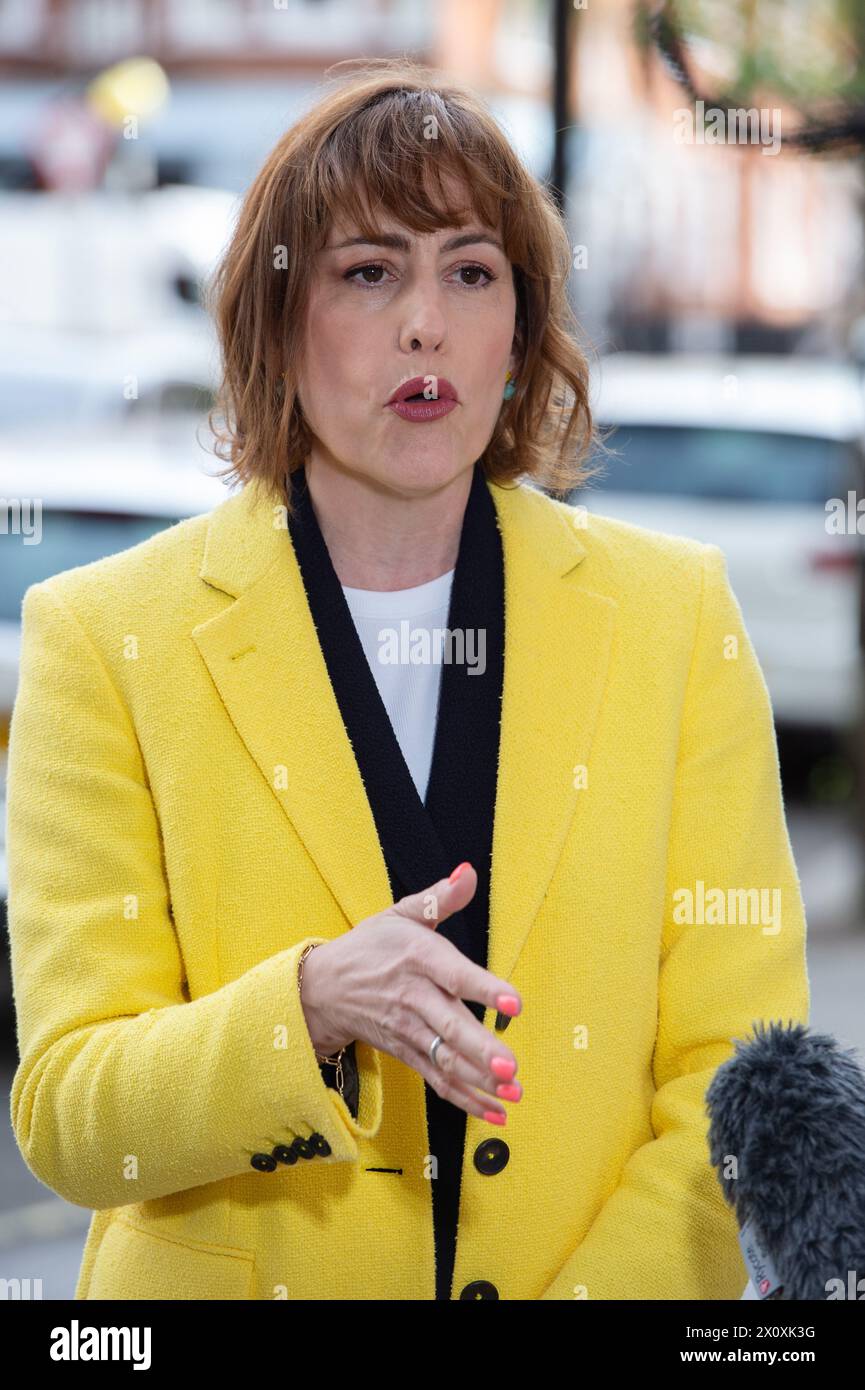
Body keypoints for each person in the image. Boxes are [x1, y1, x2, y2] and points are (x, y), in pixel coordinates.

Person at [6, 60, 809, 1301]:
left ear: (520, 330)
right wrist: (311, 1005)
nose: (424, 324)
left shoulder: (676, 614)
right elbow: (70, 1119)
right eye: (369, 272)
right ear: (278, 322)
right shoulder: (104, 636)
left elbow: (734, 1074)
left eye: (471, 271)